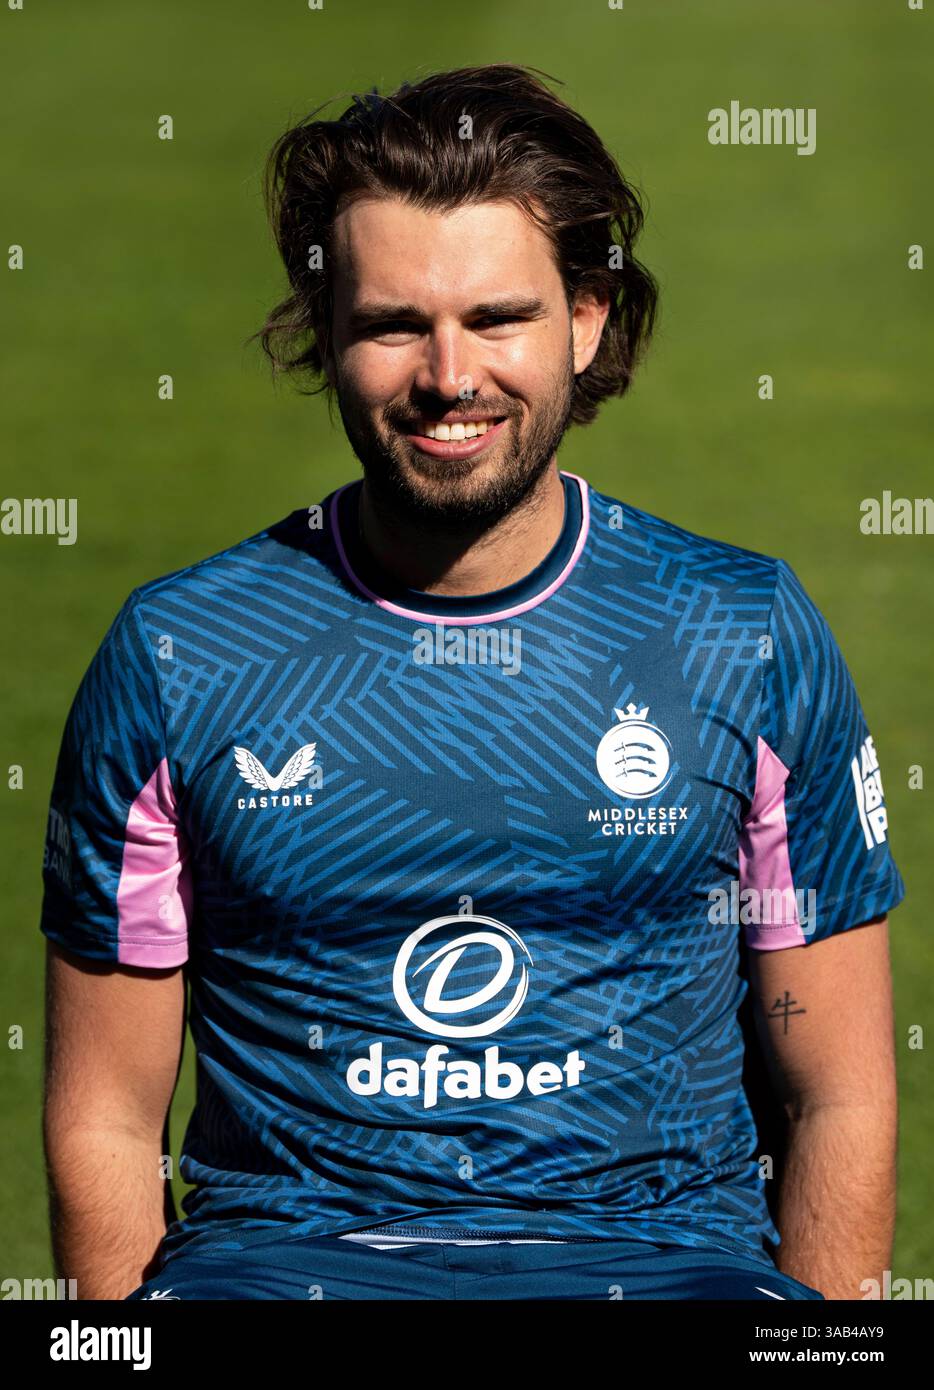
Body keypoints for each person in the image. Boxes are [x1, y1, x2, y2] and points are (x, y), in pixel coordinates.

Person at [40, 64, 904, 1302]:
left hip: (662, 1268)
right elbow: (107, 1123)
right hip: (285, 1270)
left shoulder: (740, 630)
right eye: (395, 324)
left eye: (498, 318)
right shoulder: (182, 653)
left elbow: (841, 1093)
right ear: (325, 327)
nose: (449, 376)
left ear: (587, 319)